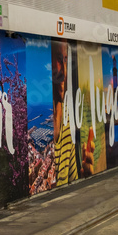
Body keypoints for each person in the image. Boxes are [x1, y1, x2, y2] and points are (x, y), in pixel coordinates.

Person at [52, 42, 78, 185]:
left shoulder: (67, 119)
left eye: (66, 60)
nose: (63, 70)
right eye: (59, 59)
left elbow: (73, 182)